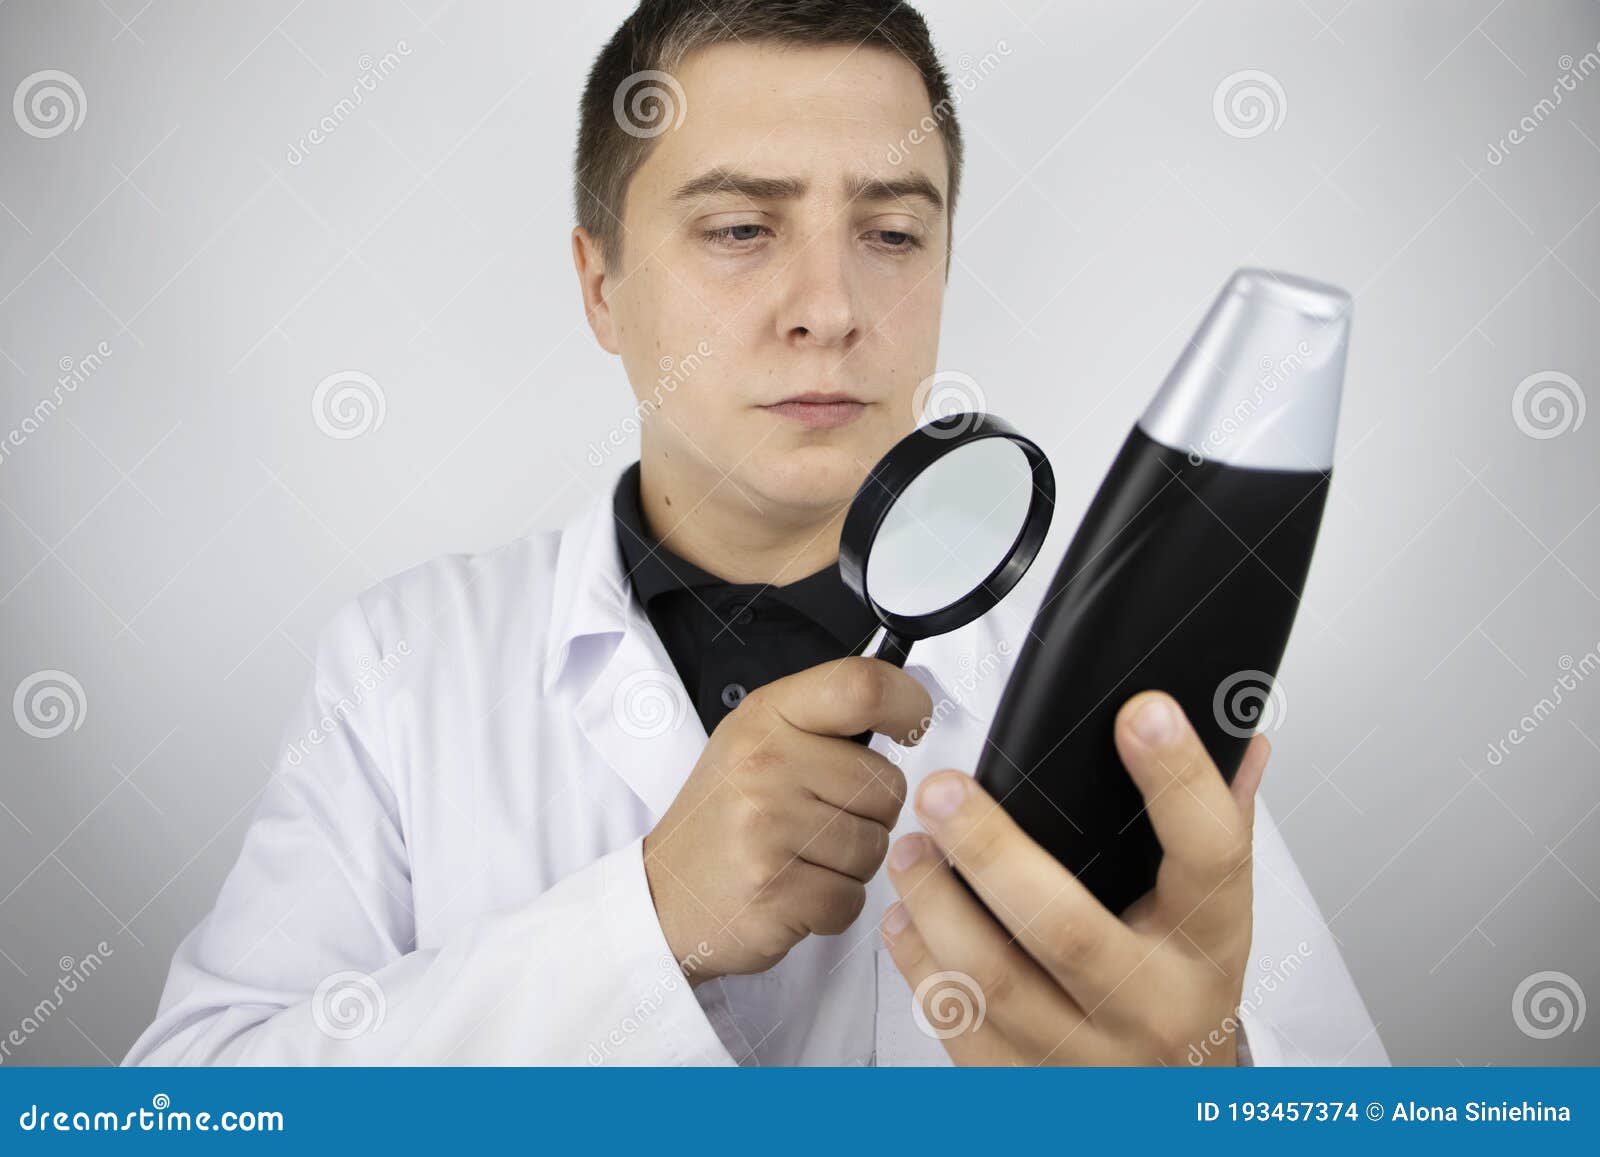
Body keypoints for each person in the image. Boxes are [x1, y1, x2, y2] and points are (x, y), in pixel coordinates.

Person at [125, 0, 1385, 1067]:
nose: (830, 308)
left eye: (892, 234)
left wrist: (1199, 1079)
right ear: (599, 284)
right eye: (739, 228)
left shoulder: (1109, 666)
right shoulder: (406, 658)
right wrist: (648, 918)